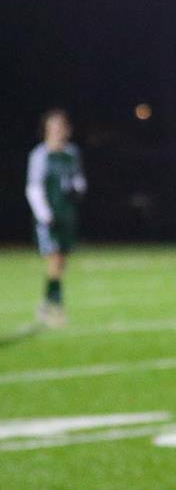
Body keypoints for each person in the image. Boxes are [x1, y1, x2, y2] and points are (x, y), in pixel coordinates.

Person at [24, 109, 85, 329]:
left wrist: (77, 188)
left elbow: (78, 178)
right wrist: (44, 214)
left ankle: (45, 303)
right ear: (47, 130)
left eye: (62, 128)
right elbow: (33, 188)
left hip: (67, 214)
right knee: (55, 259)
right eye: (54, 128)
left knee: (60, 262)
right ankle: (57, 308)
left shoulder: (71, 153)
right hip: (48, 218)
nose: (59, 132)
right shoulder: (40, 155)